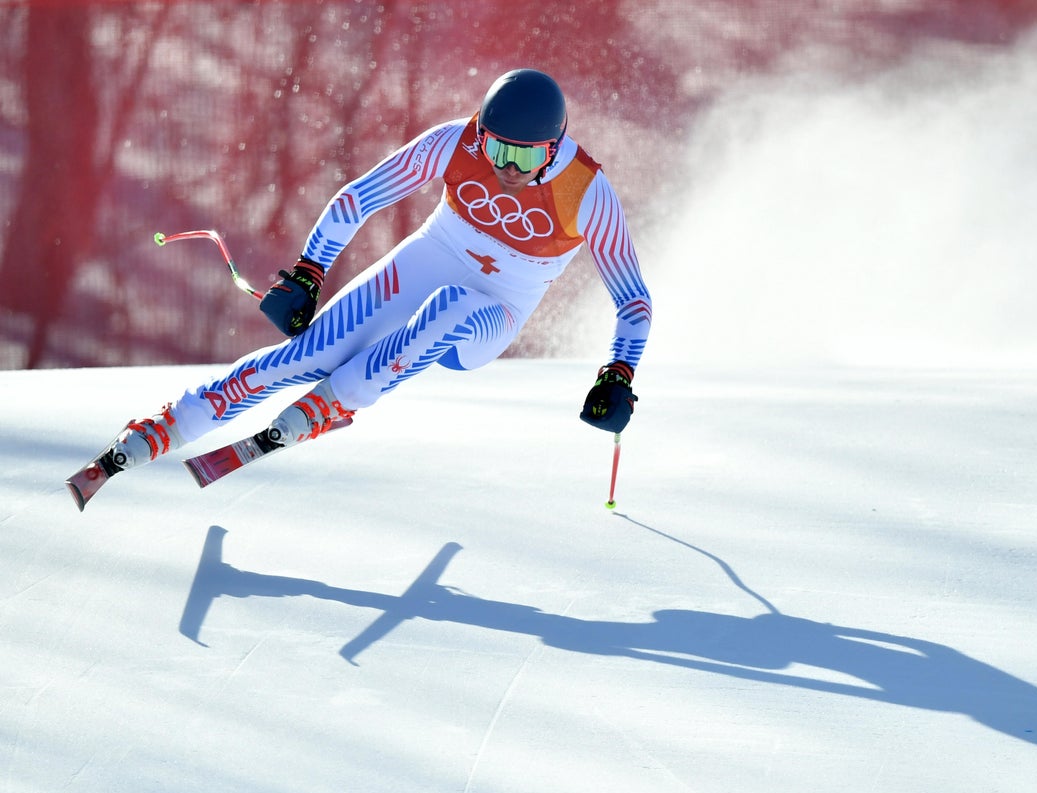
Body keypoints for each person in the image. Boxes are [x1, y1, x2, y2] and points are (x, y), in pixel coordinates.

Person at [68, 68, 651, 509]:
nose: (506, 168)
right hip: (431, 257)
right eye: (496, 147)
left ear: (554, 145)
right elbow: (359, 198)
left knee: (450, 308)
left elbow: (633, 301)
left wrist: (618, 373)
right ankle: (162, 428)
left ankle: (336, 402)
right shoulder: (456, 142)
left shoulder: (585, 191)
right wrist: (308, 272)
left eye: (523, 156)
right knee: (301, 358)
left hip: (497, 309)